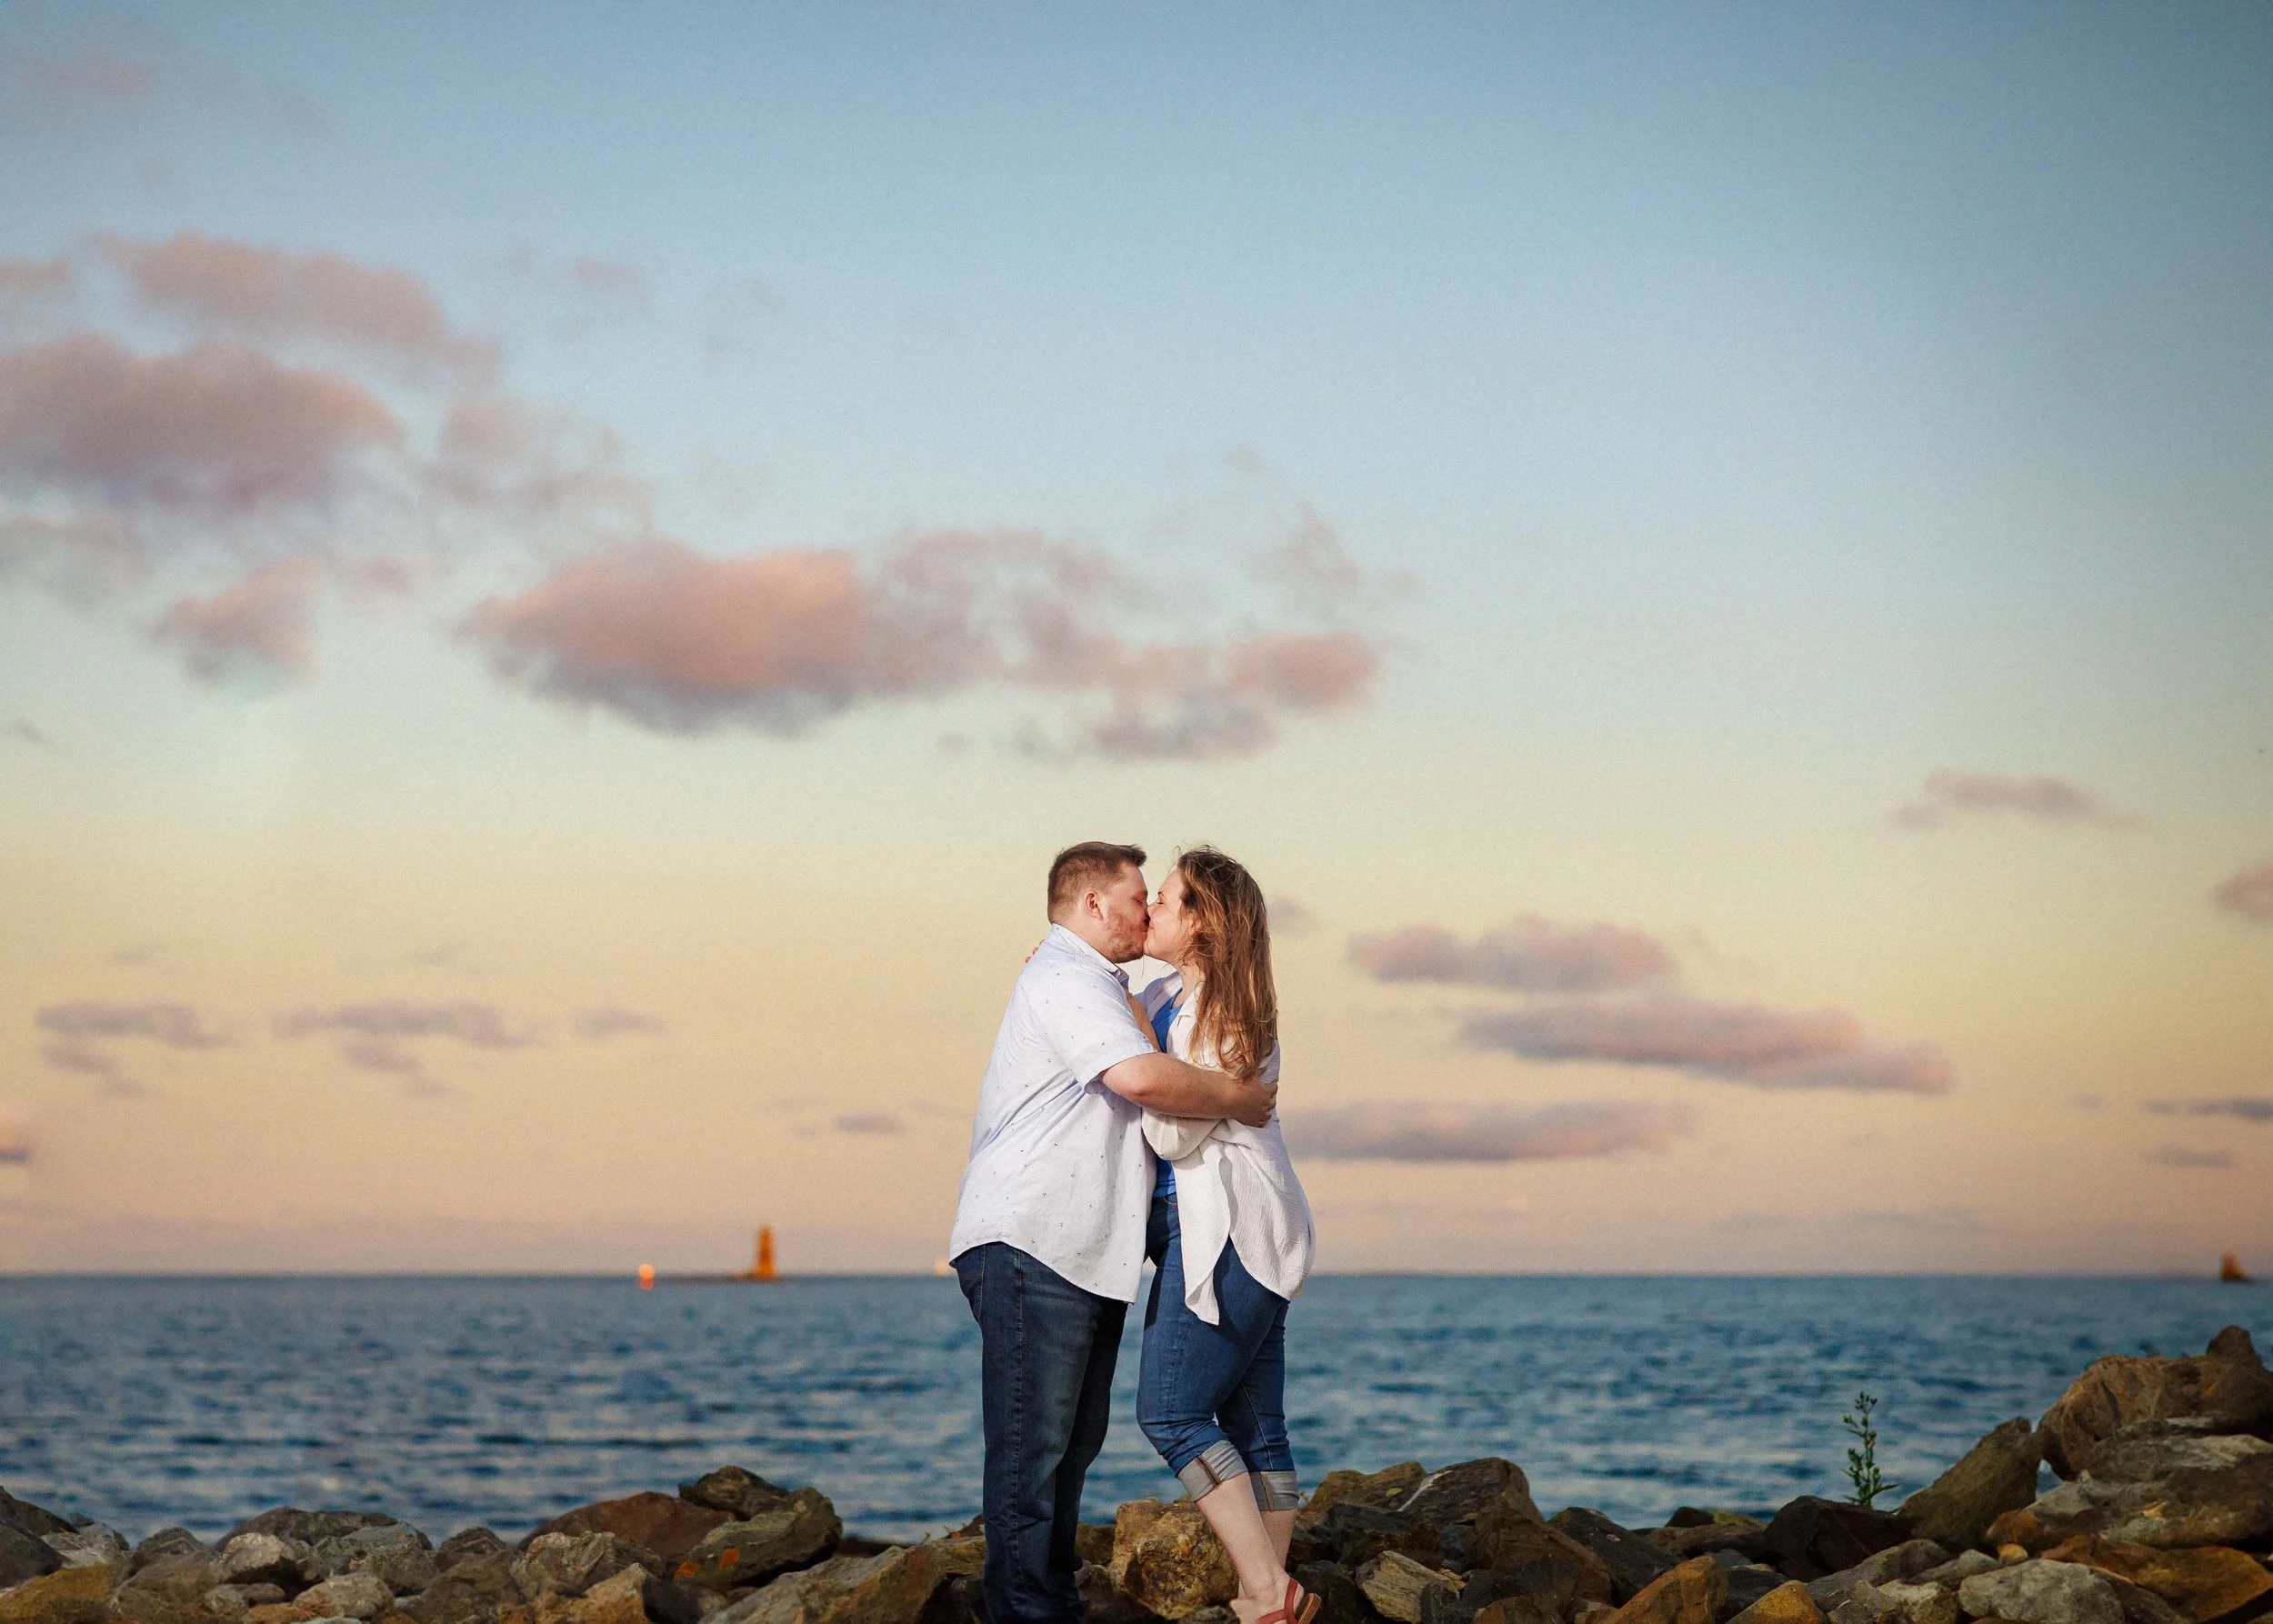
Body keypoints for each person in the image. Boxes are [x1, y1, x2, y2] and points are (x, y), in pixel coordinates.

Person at [949, 842, 1278, 1624]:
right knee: (1032, 1455)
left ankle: (1048, 1601)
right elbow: (1136, 1077)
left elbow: (1198, 992)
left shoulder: (1097, 980)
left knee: (1065, 1453)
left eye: (1158, 900)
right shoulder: (1067, 977)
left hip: (1082, 1255)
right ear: (1095, 905)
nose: (1147, 912)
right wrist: (1239, 1097)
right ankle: (1028, 1612)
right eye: (1139, 898)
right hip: (1033, 1242)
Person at [1134, 847, 1317, 1624]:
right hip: (1243, 1237)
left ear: (1203, 922)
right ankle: (1269, 1597)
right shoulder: (1169, 994)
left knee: (1170, 1412)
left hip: (1233, 1232)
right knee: (1254, 1424)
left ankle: (1269, 1592)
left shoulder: (1227, 1015)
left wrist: (1147, 1066)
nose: (1152, 908)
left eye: (1169, 899)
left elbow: (1173, 1139)